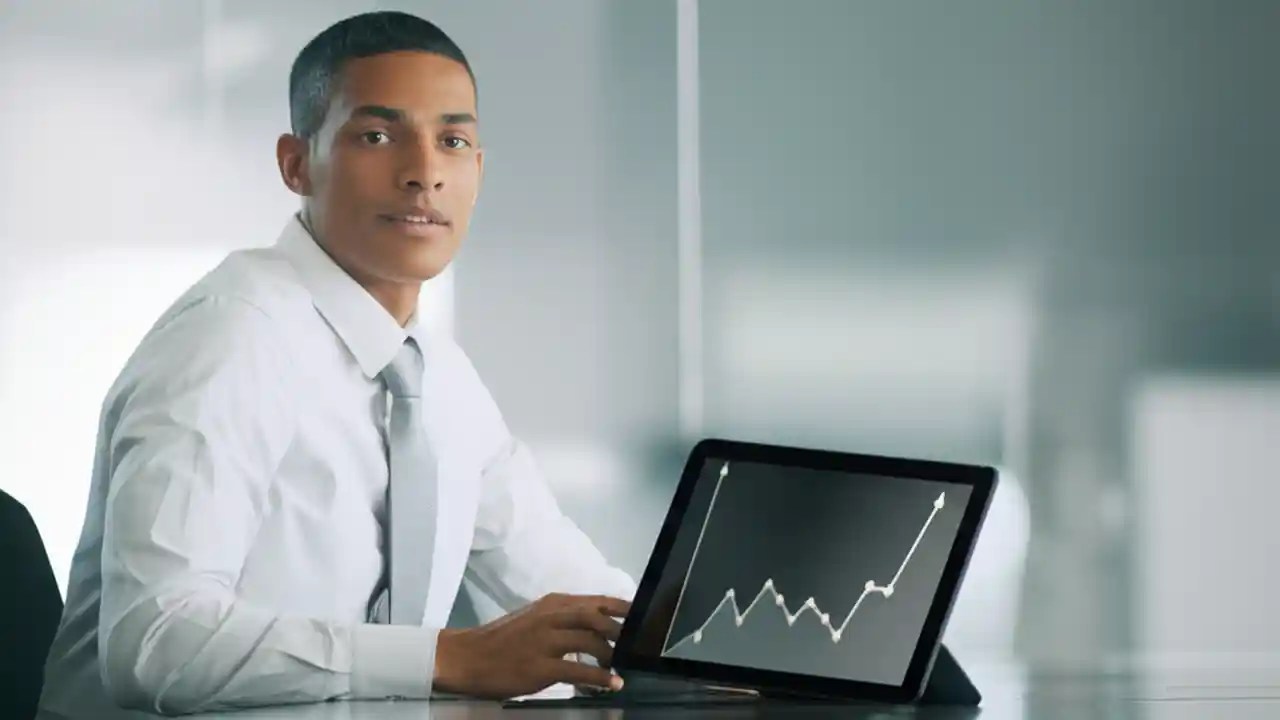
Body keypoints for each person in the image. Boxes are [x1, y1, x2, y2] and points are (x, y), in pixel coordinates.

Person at [37, 11, 634, 719]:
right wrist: (448, 657)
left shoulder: (436, 379)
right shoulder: (232, 337)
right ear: (296, 163)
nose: (422, 175)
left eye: (452, 141)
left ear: (478, 170)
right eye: (377, 136)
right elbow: (154, 641)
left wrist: (702, 647)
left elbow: (568, 585)